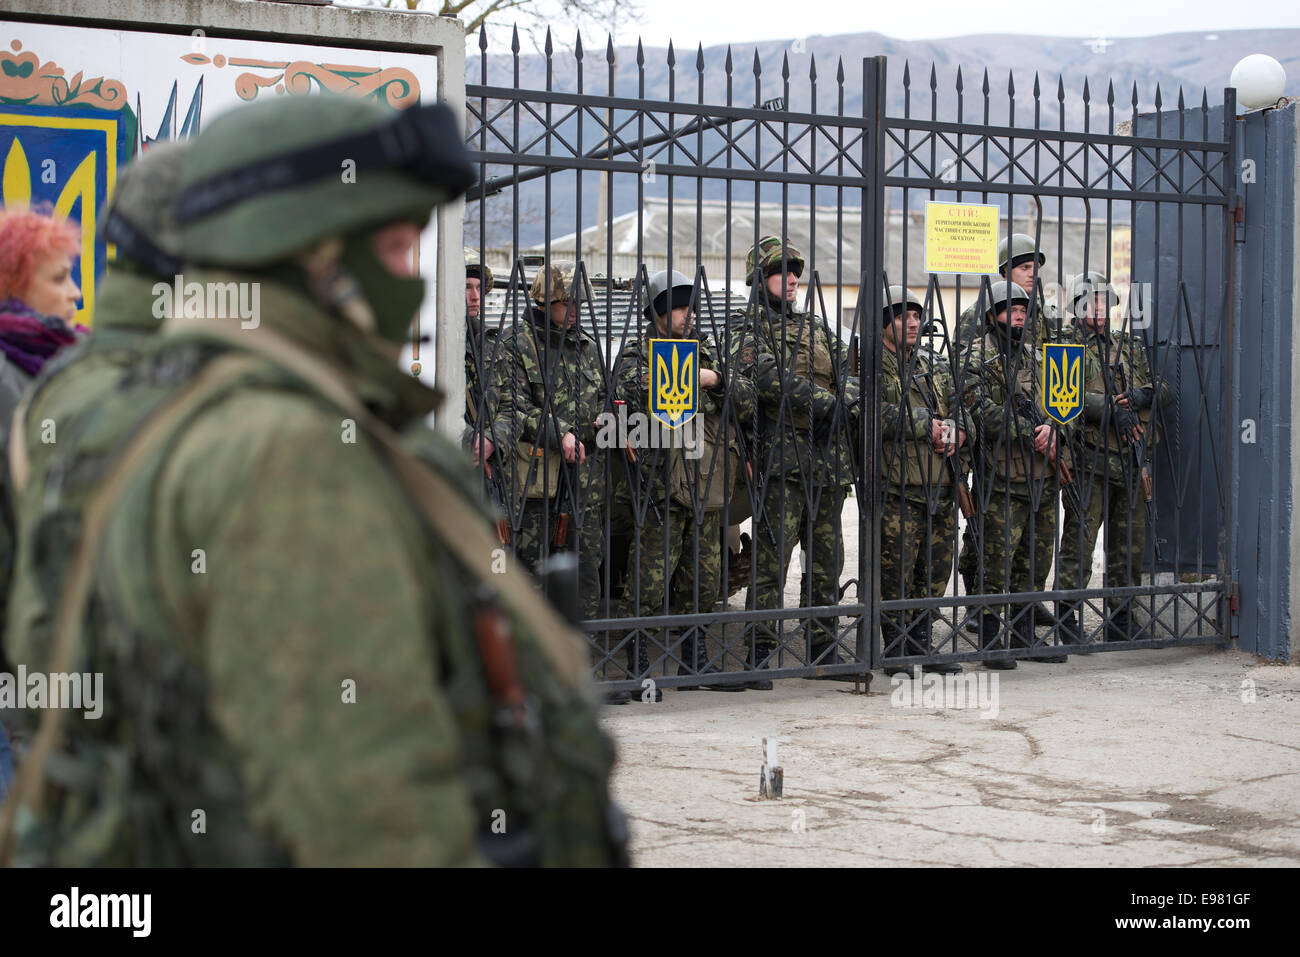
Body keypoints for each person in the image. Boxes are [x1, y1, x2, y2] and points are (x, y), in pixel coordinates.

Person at [0, 94, 624, 867]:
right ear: (318, 259)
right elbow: (370, 814)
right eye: (395, 250)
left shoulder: (186, 401)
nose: (413, 281)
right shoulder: (288, 453)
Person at [727, 237, 861, 688]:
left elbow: (853, 373)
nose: (792, 279)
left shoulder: (818, 328)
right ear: (758, 279)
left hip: (826, 464)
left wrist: (843, 403)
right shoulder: (744, 327)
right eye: (781, 271)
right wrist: (829, 404)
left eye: (795, 271)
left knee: (827, 560)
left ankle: (822, 645)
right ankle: (759, 650)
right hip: (780, 465)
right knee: (771, 562)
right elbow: (765, 378)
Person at [612, 269, 753, 692]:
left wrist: (717, 378)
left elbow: (746, 396)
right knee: (648, 583)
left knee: (704, 582)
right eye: (677, 305)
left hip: (706, 484)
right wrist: (694, 377)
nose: (688, 314)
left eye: (691, 305)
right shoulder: (639, 351)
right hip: (660, 488)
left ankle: (696, 662)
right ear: (657, 311)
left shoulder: (709, 352)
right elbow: (637, 393)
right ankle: (634, 666)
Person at [958, 280, 1080, 668]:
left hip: (1043, 478)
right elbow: (979, 412)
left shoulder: (1039, 357)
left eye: (1024, 312)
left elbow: (1068, 404)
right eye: (1011, 311)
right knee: (997, 563)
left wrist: (1057, 429)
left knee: (1035, 562)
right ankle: (992, 642)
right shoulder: (975, 357)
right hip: (1002, 480)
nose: (1019, 318)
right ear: (993, 315)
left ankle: (1025, 638)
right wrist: (1030, 431)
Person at [1055, 271, 1171, 642]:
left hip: (1132, 459)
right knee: (1079, 543)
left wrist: (1141, 397)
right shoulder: (1065, 346)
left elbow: (1163, 387)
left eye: (1105, 301)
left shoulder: (1128, 346)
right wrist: (1106, 408)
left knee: (1128, 544)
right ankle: (1066, 618)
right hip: (1090, 460)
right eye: (1091, 302)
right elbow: (1060, 396)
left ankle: (1120, 619)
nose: (1100, 309)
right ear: (1077, 307)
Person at [878, 285, 966, 677]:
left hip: (940, 485)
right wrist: (922, 425)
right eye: (902, 316)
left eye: (916, 316)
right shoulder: (869, 362)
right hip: (897, 485)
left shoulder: (932, 365)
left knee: (934, 572)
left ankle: (921, 642)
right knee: (896, 573)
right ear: (884, 324)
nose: (912, 322)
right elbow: (866, 411)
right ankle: (895, 647)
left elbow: (963, 409)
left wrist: (962, 431)